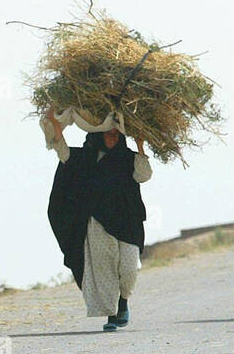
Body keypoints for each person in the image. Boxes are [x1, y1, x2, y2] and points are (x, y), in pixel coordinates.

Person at [43, 108, 153, 332]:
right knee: (105, 270)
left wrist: (141, 145)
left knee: (129, 268)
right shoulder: (85, 158)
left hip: (127, 221)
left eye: (115, 133)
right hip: (98, 224)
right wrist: (55, 123)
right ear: (98, 134)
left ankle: (123, 301)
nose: (112, 136)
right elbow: (62, 152)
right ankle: (115, 312)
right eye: (107, 133)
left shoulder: (129, 158)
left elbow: (144, 176)